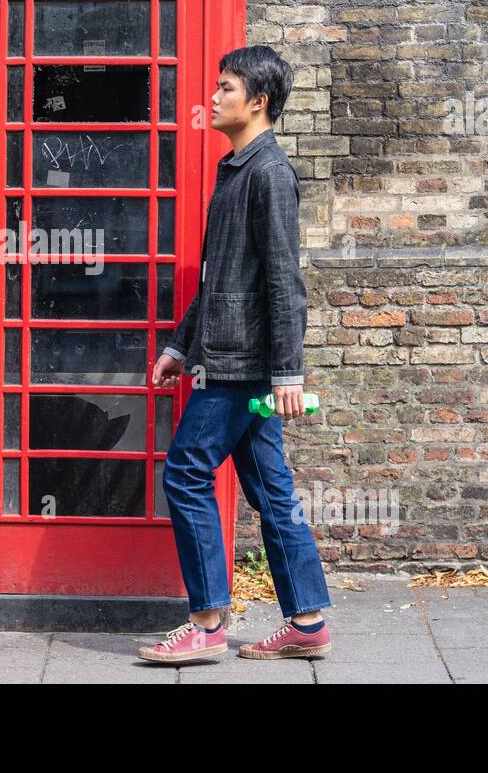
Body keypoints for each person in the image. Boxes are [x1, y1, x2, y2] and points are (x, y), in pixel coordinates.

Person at [139, 45, 334, 664]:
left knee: (186, 473)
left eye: (225, 88)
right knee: (272, 489)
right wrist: (178, 344)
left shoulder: (269, 174)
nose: (213, 97)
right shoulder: (237, 170)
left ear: (259, 101)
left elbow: (284, 280)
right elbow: (217, 279)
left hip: (240, 366)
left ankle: (206, 622)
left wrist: (287, 373)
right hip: (223, 355)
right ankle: (306, 622)